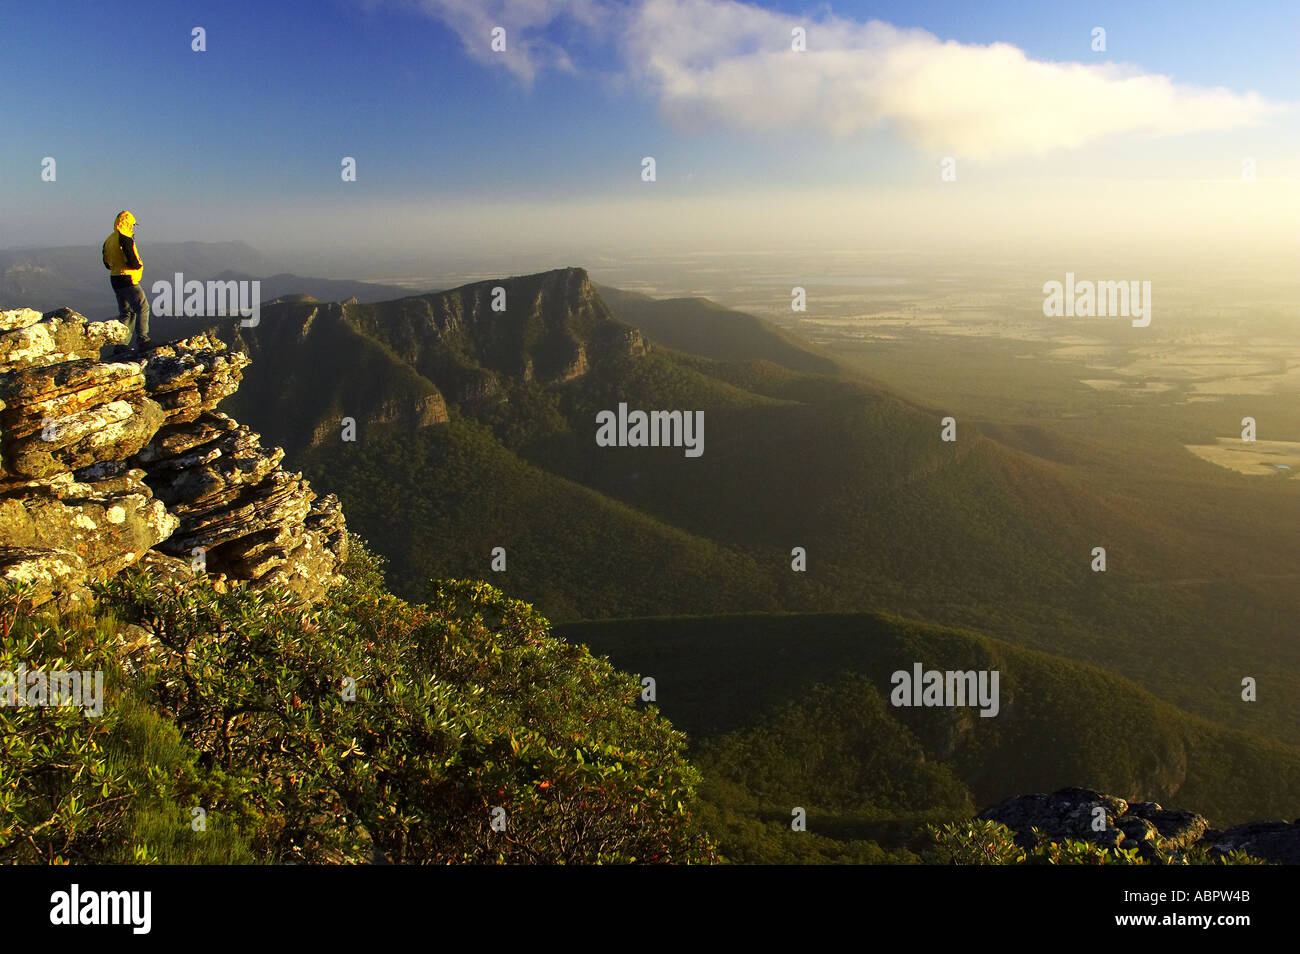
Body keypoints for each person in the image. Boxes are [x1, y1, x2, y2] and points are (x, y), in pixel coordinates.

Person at [101, 210, 151, 350]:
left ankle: (121, 344)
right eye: (132, 225)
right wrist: (138, 265)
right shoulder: (125, 239)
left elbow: (106, 263)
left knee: (126, 312)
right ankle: (143, 339)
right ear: (128, 224)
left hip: (115, 279)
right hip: (128, 279)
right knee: (143, 307)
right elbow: (133, 262)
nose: (133, 228)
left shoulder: (109, 240)